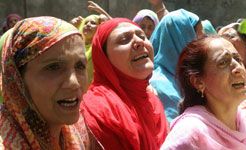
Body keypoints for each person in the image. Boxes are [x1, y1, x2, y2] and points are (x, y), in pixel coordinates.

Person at [0, 16, 91, 149]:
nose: (74, 83)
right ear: (17, 79)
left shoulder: (74, 136)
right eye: (53, 67)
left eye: (80, 66)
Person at [80, 18, 168, 149]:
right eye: (124, 40)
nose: (139, 42)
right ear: (104, 58)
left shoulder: (152, 101)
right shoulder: (96, 112)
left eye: (142, 36)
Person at [161, 35, 246, 149]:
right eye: (223, 62)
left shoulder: (245, 120)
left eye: (238, 59)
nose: (238, 68)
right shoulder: (189, 135)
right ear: (198, 82)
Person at [149, 9, 204, 122]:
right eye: (199, 38)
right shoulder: (158, 85)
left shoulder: (193, 79)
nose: (203, 45)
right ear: (183, 39)